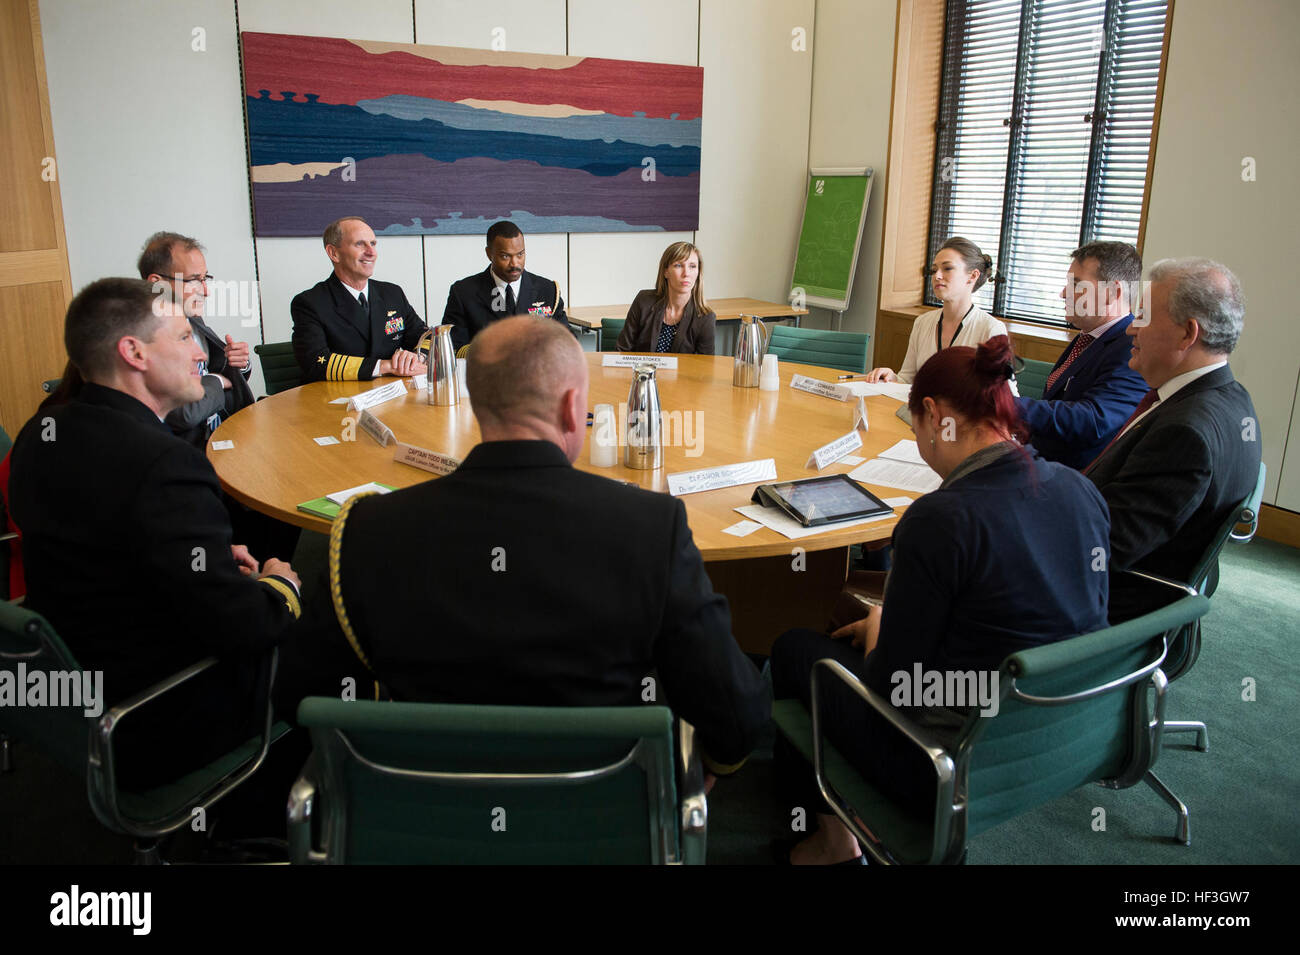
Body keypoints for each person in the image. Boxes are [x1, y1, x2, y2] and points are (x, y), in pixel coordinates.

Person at [293, 316, 768, 773]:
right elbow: (735, 711)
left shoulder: (365, 529)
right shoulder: (651, 528)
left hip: (421, 812)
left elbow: (307, 693)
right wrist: (714, 765)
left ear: (476, 404)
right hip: (599, 818)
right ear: (570, 409)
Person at [771, 336, 1110, 864]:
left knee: (795, 648)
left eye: (912, 425)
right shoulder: (1078, 489)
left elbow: (894, 687)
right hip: (1062, 736)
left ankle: (834, 843)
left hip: (947, 759)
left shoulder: (939, 520)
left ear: (931, 415)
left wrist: (881, 627)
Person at [8, 278, 304, 789]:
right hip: (158, 715)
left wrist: (202, 555)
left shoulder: (42, 431)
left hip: (75, 693)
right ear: (134, 352)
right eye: (186, 337)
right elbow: (245, 627)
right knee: (328, 634)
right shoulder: (166, 464)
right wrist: (282, 585)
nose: (200, 354)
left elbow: (106, 546)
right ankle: (274, 813)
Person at [1086, 258, 1260, 623]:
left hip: (1108, 610)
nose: (1131, 328)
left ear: (1187, 333)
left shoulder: (1185, 434)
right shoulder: (1233, 399)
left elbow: (1102, 550)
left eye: (1144, 316)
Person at [1016, 242, 1148, 469]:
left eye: (1075, 285)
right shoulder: (1087, 336)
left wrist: (1008, 406)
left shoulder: (1132, 347)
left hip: (1074, 479)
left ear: (1112, 293)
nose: (1063, 293)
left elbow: (1094, 420)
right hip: (1040, 463)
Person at [138, 232, 254, 449]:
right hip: (185, 454)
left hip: (227, 436)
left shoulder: (192, 317)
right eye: (194, 280)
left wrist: (239, 362)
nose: (206, 291)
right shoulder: (143, 336)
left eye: (205, 278)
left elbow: (217, 367)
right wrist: (217, 381)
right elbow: (184, 413)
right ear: (157, 283)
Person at [291, 217, 428, 382]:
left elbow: (425, 336)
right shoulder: (310, 303)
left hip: (391, 396)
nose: (371, 252)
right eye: (359, 244)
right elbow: (316, 362)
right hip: (336, 400)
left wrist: (416, 359)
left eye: (373, 243)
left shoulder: (392, 293)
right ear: (334, 253)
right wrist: (387, 366)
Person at [865, 237, 1010, 384]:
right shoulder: (922, 322)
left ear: (972, 276)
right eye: (934, 270)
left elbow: (1006, 396)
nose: (937, 276)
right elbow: (907, 379)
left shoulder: (990, 329)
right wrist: (892, 377)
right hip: (921, 406)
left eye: (947, 268)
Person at [441, 220, 568, 351]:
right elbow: (453, 347)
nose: (515, 264)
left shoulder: (547, 290)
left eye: (520, 254)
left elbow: (567, 341)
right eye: (505, 256)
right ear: (489, 254)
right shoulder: (464, 293)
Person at [617, 241, 716, 354]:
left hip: (684, 372)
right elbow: (622, 351)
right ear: (666, 272)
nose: (686, 273)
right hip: (642, 371)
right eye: (678, 265)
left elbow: (705, 367)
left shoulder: (705, 318)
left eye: (692, 266)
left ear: (698, 272)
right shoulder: (644, 301)